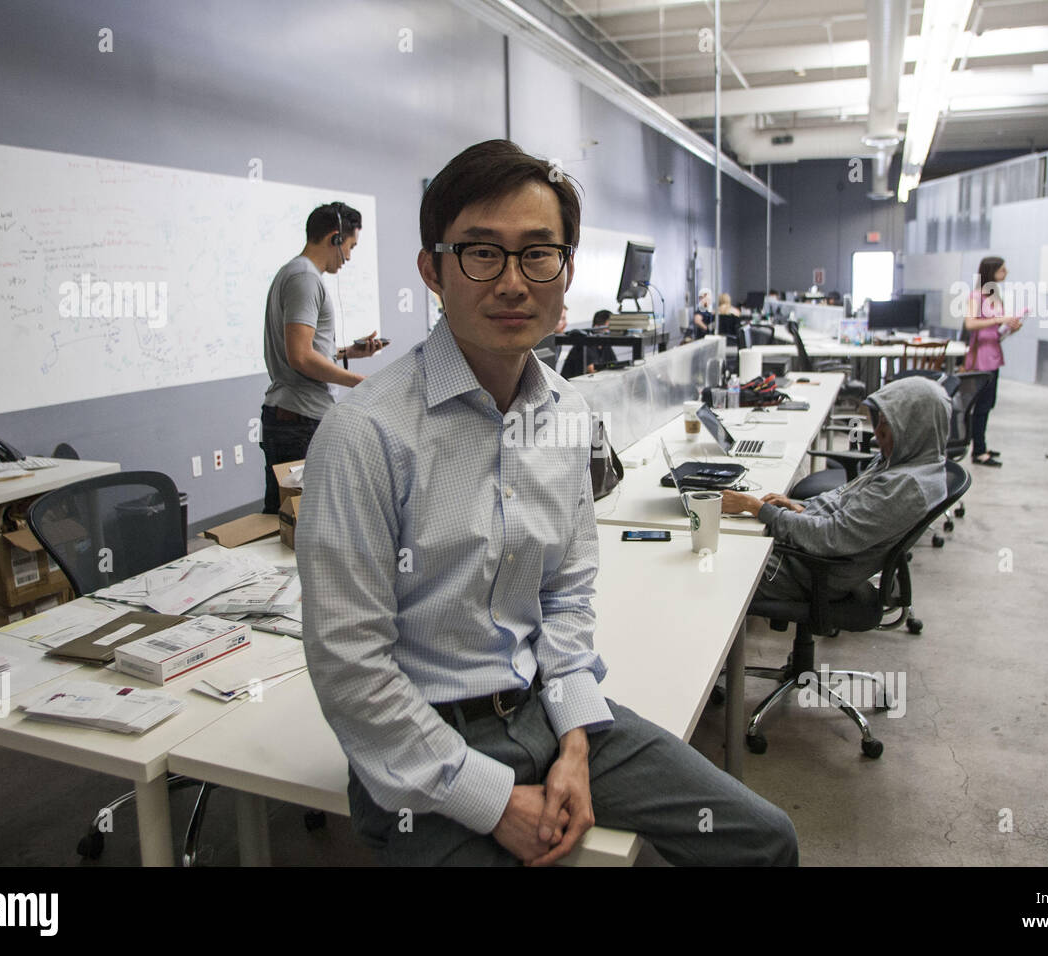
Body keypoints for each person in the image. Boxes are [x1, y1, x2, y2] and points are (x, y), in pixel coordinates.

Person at [298, 139, 797, 867]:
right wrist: (493, 800)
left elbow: (566, 592)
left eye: (539, 254)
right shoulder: (364, 433)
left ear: (565, 271)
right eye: (480, 253)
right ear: (432, 270)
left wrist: (572, 739)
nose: (511, 282)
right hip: (420, 749)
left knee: (762, 840)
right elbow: (349, 665)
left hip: (543, 705)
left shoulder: (565, 409)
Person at [721, 376, 950, 602]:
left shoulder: (906, 488)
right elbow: (845, 510)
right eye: (879, 421)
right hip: (807, 553)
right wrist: (799, 508)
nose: (877, 434)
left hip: (810, 571)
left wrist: (757, 508)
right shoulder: (910, 460)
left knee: (709, 569)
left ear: (917, 428)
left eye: (888, 425)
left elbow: (831, 536)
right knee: (721, 538)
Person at [259, 201, 384, 512]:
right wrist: (360, 382)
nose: (349, 257)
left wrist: (348, 352)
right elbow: (300, 357)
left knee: (290, 515)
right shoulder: (305, 278)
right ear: (335, 238)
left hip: (293, 415)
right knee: (298, 516)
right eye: (350, 246)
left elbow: (305, 350)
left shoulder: (294, 272)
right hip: (299, 419)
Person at [963, 256, 1024, 467]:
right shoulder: (976, 297)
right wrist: (999, 319)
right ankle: (978, 450)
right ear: (991, 272)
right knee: (980, 404)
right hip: (980, 357)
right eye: (1002, 269)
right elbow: (970, 324)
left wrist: (1011, 328)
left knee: (988, 404)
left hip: (994, 354)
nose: (1006, 272)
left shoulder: (996, 297)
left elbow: (997, 333)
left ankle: (981, 445)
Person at [558, 308, 616, 378]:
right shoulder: (585, 345)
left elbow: (614, 364)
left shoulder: (605, 345)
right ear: (597, 327)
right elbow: (593, 370)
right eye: (608, 327)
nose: (611, 331)